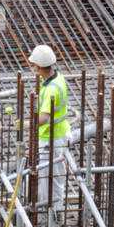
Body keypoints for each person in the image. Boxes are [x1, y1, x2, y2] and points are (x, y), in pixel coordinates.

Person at [27, 44, 70, 213]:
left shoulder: (51, 89)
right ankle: (54, 210)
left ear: (38, 66)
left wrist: (27, 124)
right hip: (59, 133)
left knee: (49, 178)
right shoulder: (57, 79)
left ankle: (54, 213)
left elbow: (43, 118)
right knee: (54, 176)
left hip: (52, 138)